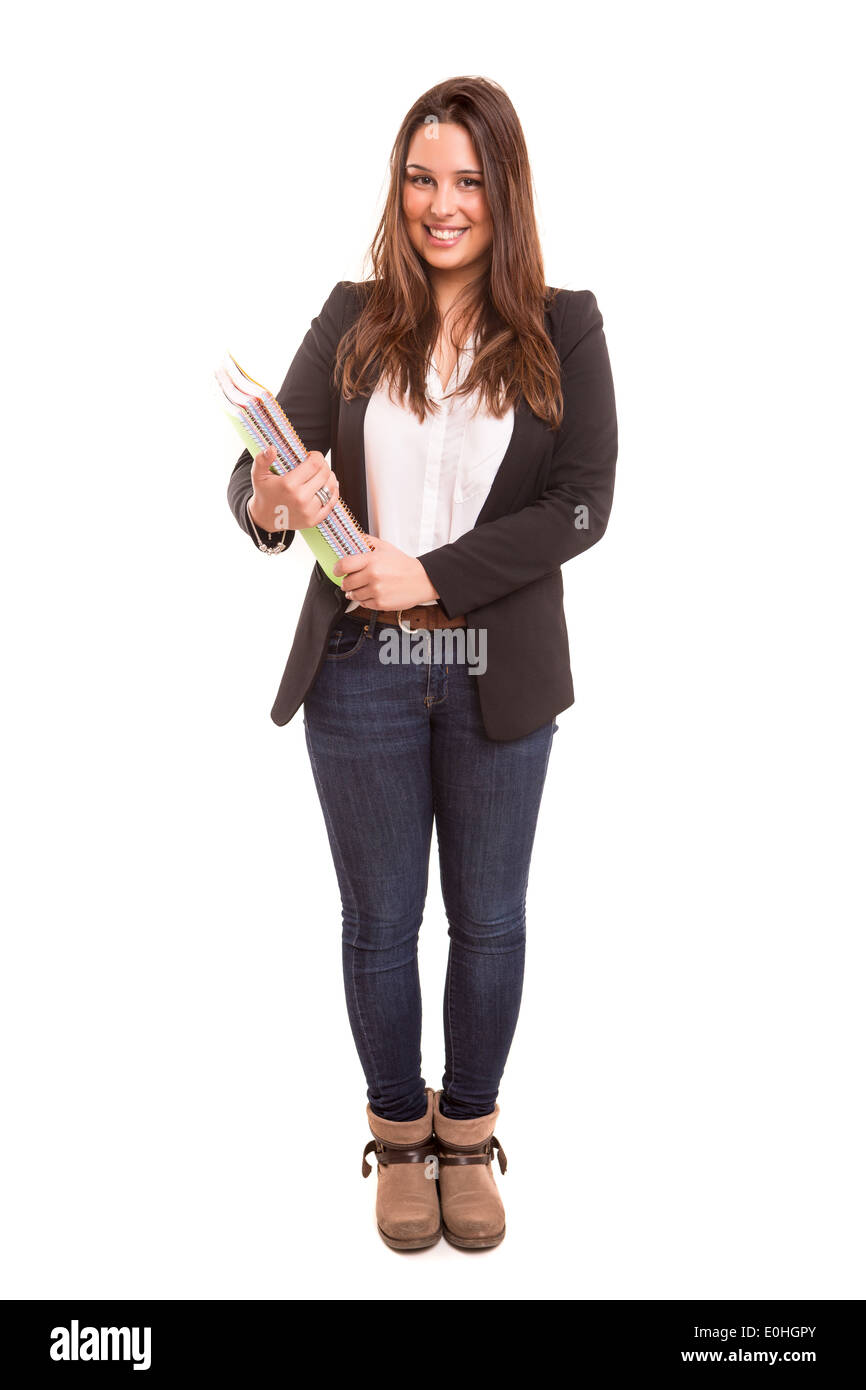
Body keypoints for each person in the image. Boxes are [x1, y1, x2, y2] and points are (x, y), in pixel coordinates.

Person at [227, 76, 618, 1252]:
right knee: (379, 920)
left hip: (498, 668)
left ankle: (470, 1133)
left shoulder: (566, 322)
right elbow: (261, 471)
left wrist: (433, 572)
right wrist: (267, 494)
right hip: (360, 670)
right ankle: (399, 1134)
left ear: (504, 191)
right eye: (419, 177)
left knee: (489, 919)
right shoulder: (349, 317)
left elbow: (582, 504)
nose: (440, 205)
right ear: (397, 187)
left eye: (465, 180)